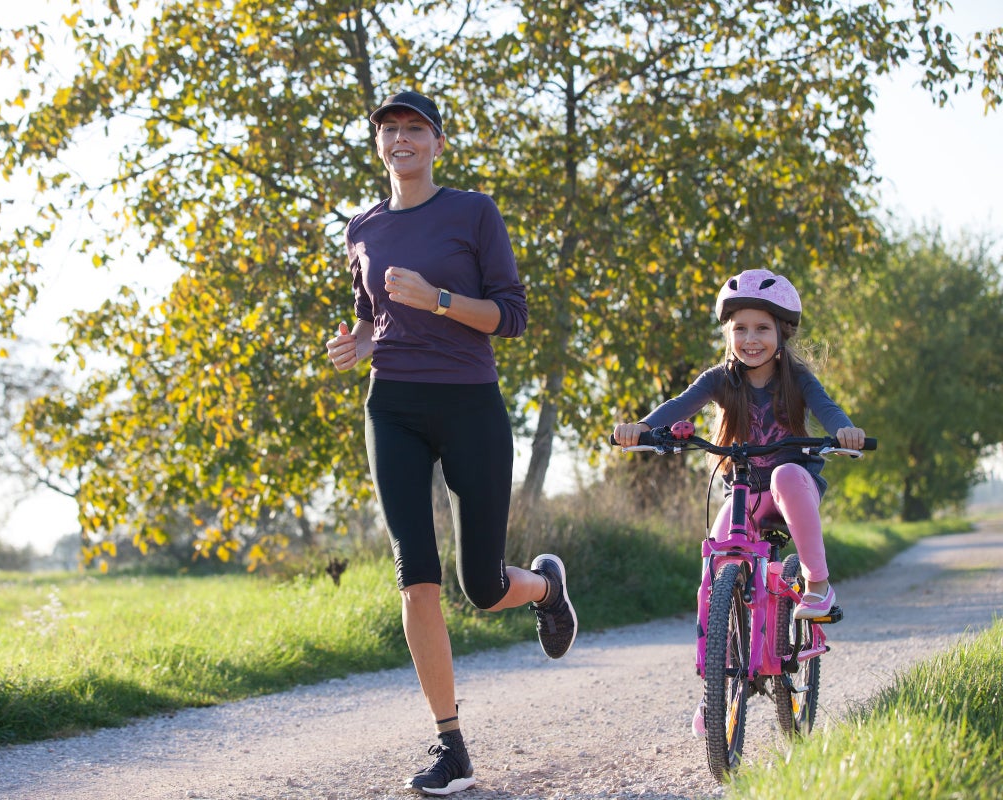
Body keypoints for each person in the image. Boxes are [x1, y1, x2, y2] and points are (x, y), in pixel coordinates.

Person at [325, 90, 578, 795]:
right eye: (389, 130)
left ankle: (544, 586)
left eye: (415, 129)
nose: (401, 140)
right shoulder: (362, 226)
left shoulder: (473, 212)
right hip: (394, 407)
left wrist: (436, 298)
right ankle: (452, 748)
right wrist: (358, 344)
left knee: (481, 584)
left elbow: (512, 316)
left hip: (469, 403)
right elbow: (374, 318)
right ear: (378, 144)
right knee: (417, 575)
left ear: (438, 143)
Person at [611, 268, 865, 737]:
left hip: (792, 489)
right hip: (743, 488)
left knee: (788, 472)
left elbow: (828, 409)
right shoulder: (718, 379)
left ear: (782, 333)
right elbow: (677, 407)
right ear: (727, 332)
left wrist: (845, 429)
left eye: (762, 328)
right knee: (715, 561)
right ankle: (717, 690)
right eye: (740, 328)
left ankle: (818, 584)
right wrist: (641, 428)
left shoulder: (798, 378)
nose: (751, 339)